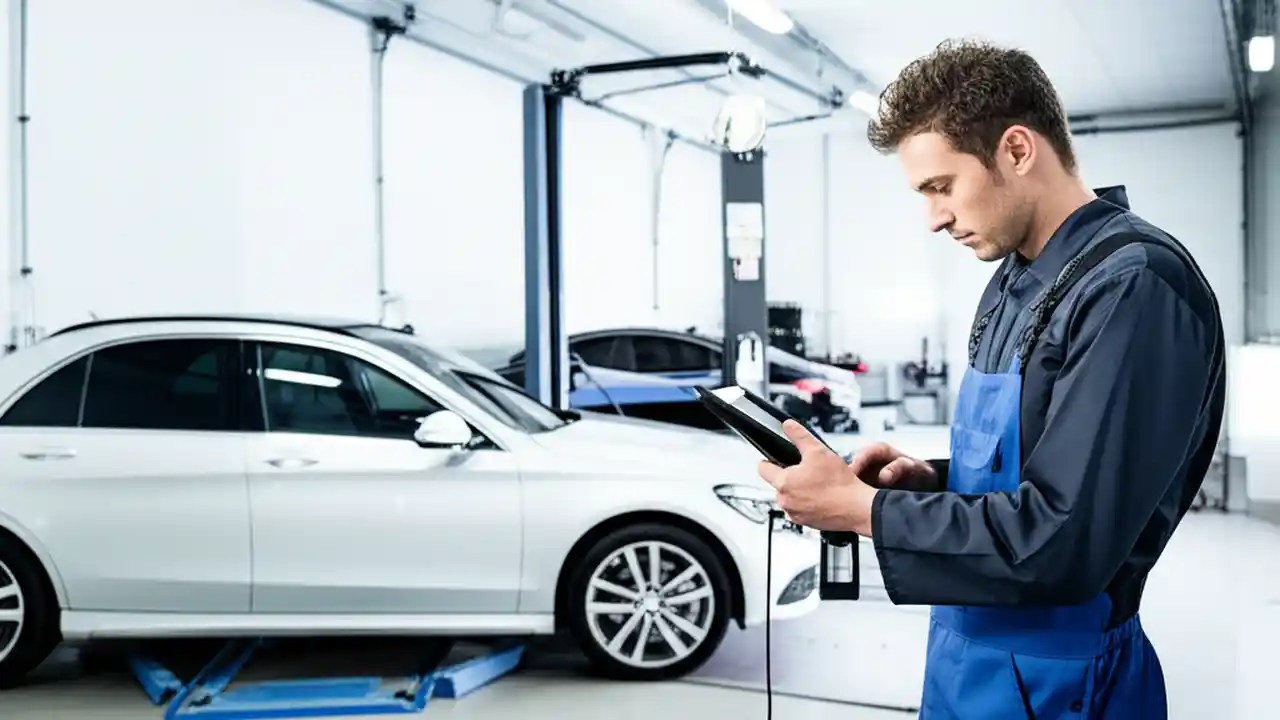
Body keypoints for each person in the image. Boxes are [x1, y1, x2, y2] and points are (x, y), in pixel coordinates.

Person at [757, 39, 1226, 719]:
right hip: (965, 657)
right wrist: (929, 481)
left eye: (940, 187)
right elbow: (1039, 464)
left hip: (1063, 681)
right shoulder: (1011, 282)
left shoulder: (1134, 288)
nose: (934, 218)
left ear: (1015, 150)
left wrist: (863, 513)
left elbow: (1067, 542)